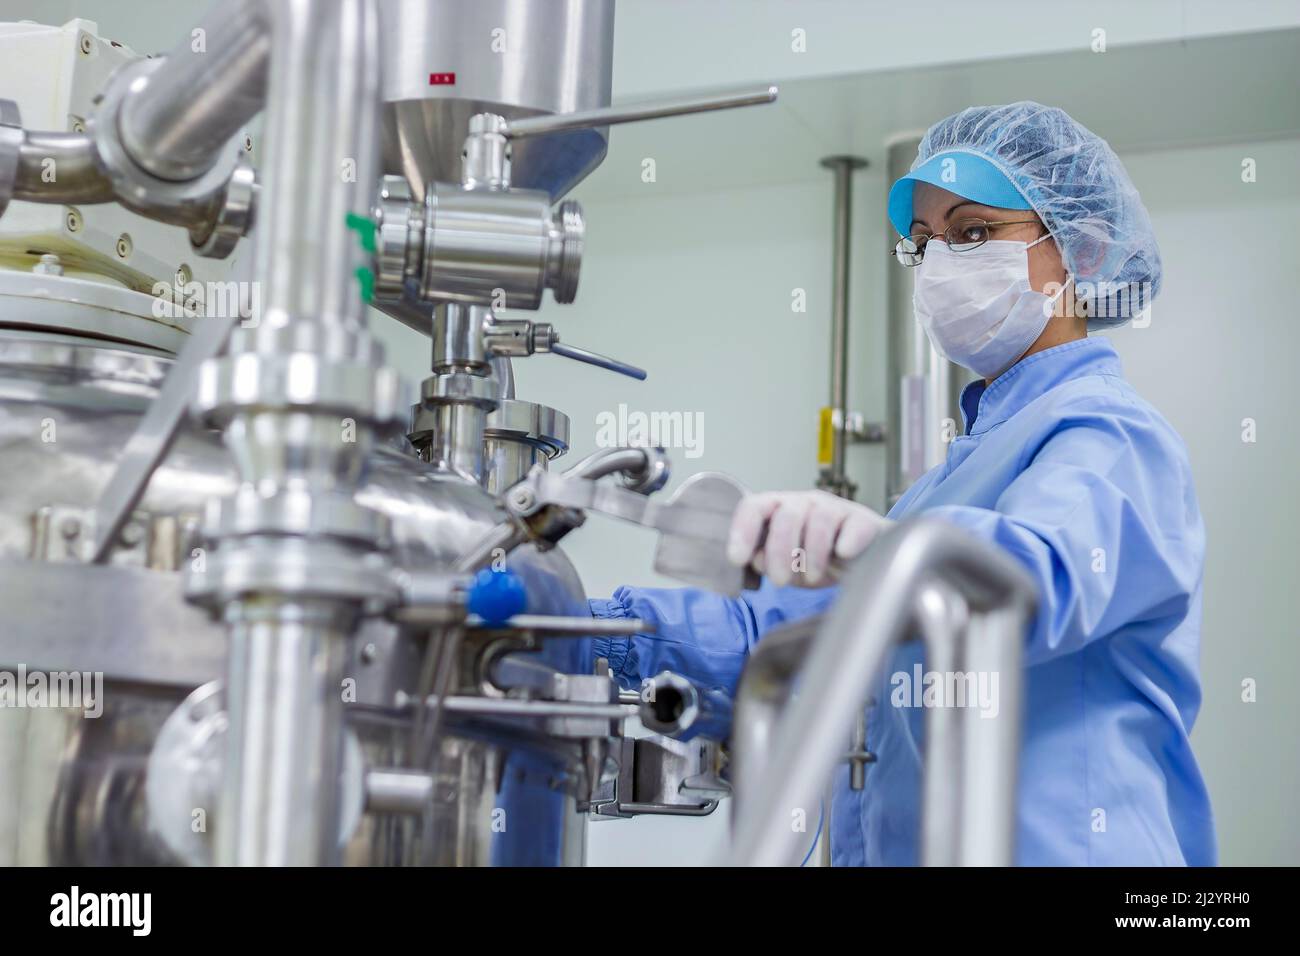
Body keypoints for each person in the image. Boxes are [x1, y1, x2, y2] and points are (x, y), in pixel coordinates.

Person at [588, 102, 1215, 866]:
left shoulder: (1113, 436)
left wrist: (884, 549)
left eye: (974, 232)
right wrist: (595, 631)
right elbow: (786, 633)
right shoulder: (946, 484)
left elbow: (1031, 580)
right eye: (924, 242)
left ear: (1080, 249)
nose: (942, 262)